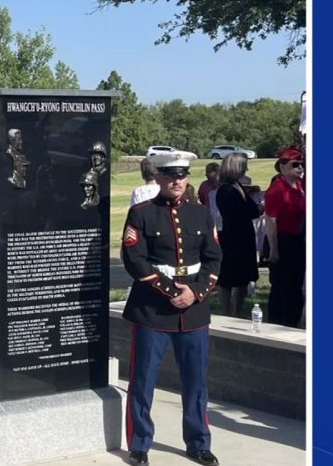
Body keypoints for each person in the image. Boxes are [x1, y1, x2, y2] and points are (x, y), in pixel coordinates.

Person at [120, 155, 222, 466]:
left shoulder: (202, 215)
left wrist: (195, 292)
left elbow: (213, 258)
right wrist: (170, 291)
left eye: (182, 175)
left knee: (196, 382)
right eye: (170, 175)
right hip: (152, 310)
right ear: (159, 177)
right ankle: (139, 444)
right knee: (143, 380)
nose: (177, 181)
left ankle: (198, 443)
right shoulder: (141, 214)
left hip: (193, 310)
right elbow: (134, 260)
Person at [214, 154, 262, 318]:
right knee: (227, 278)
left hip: (244, 236)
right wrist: (255, 209)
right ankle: (227, 311)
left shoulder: (238, 186)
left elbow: (252, 210)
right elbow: (239, 213)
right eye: (243, 166)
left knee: (243, 277)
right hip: (231, 237)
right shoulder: (225, 190)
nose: (246, 169)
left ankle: (237, 311)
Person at [265, 147, 306, 327]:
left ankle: (293, 319)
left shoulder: (301, 186)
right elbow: (270, 221)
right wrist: (274, 249)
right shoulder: (277, 189)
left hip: (297, 239)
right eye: (295, 165)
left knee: (296, 283)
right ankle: (277, 321)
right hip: (281, 239)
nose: (300, 168)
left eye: (302, 164)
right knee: (282, 285)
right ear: (282, 167)